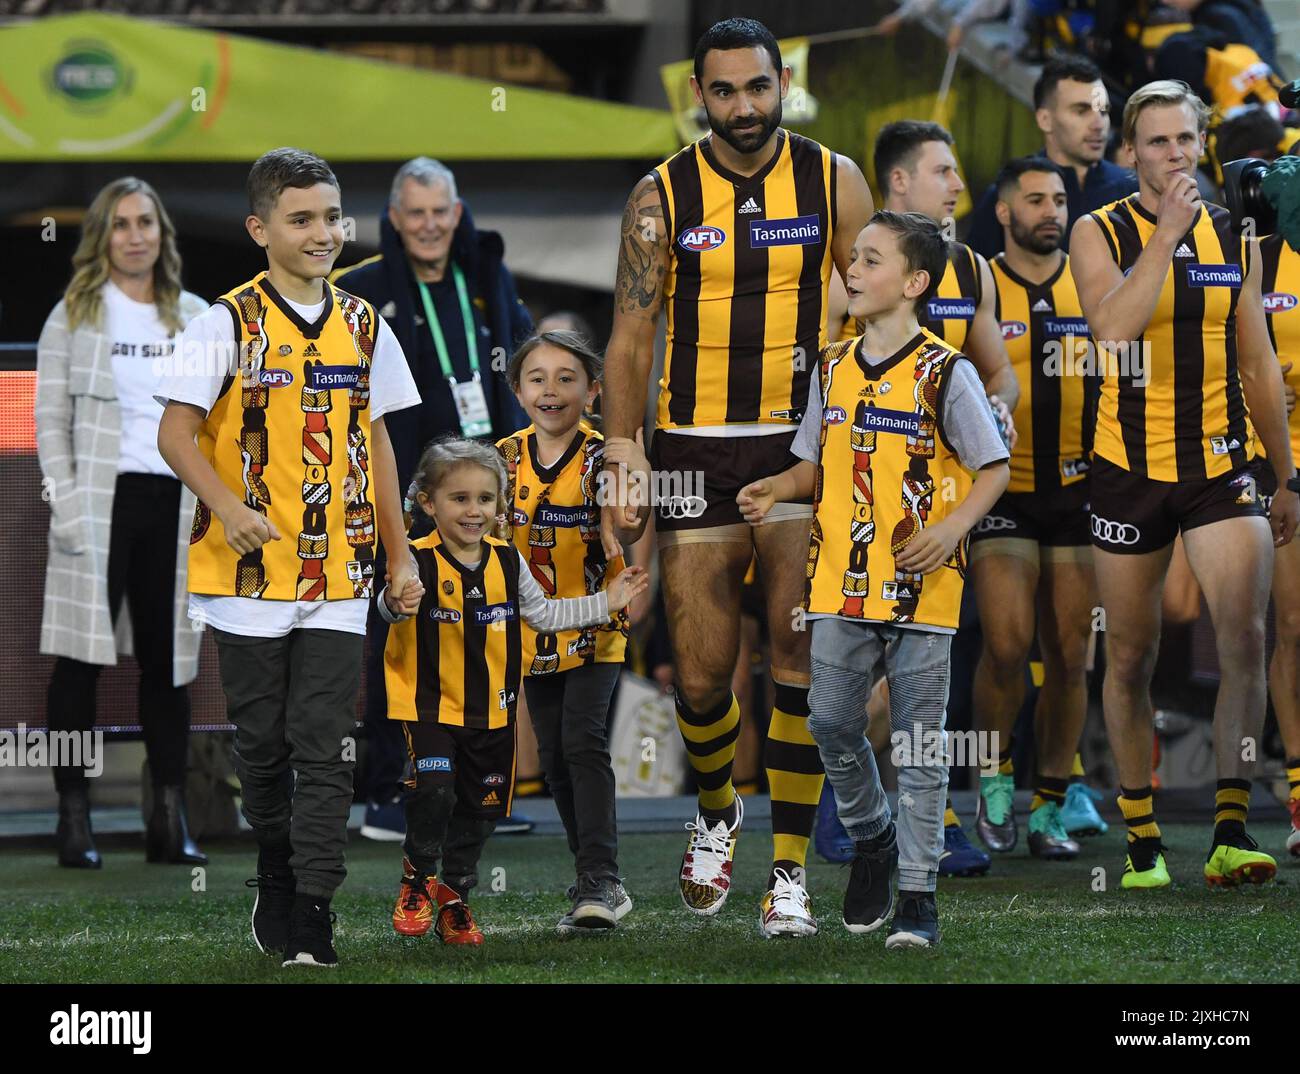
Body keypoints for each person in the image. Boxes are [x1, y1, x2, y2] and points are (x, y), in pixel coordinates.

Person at [601, 16, 874, 937]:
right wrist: (624, 447)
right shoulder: (661, 194)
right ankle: (717, 811)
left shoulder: (836, 178)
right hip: (693, 452)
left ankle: (788, 874)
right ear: (698, 96)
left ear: (782, 79)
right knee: (707, 674)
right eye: (723, 92)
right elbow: (632, 334)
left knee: (800, 663)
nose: (744, 108)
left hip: (802, 450)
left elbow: (875, 297)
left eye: (758, 88)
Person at [157, 147, 422, 966]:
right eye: (302, 219)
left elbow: (377, 442)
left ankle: (315, 912)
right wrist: (229, 508)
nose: (323, 233)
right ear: (259, 227)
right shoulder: (225, 321)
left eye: (332, 217)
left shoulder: (366, 323)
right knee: (263, 750)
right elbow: (173, 434)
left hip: (341, 574)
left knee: (324, 745)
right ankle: (275, 863)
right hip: (243, 580)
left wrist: (402, 554)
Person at [738, 209, 1011, 946]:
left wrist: (954, 528)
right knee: (829, 721)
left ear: (915, 282)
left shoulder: (945, 371)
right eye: (850, 259)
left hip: (925, 586)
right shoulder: (831, 365)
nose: (851, 271)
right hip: (837, 582)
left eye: (869, 260)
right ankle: (874, 837)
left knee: (921, 747)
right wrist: (776, 490)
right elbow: (812, 463)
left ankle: (918, 897)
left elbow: (993, 467)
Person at [1070, 80, 1299, 890]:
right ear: (1129, 151)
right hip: (1127, 470)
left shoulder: (1231, 230)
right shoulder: (1096, 230)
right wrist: (1165, 238)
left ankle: (1232, 829)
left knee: (1245, 638)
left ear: (1200, 146)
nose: (1171, 156)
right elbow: (1109, 331)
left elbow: (1256, 358)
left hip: (1216, 466)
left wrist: (1286, 473)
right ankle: (1141, 837)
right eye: (1155, 142)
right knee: (1129, 654)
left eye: (1183, 141)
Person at [331, 157, 532, 841]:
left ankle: (479, 795)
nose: (428, 225)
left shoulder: (486, 279)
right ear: (394, 219)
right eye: (414, 213)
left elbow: (524, 358)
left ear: (456, 212)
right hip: (406, 499)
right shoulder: (360, 290)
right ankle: (394, 792)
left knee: (486, 640)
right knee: (404, 643)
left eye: (439, 211)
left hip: (483, 498)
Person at [380, 439, 647, 944]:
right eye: (459, 498)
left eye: (485, 499)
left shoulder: (508, 561)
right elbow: (387, 609)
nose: (473, 510)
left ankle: (455, 895)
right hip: (429, 707)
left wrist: (604, 601)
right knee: (435, 791)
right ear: (427, 502)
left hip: (495, 714)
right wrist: (395, 602)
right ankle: (417, 877)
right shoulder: (411, 560)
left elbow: (544, 615)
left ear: (500, 506)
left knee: (480, 813)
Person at [36, 177, 208, 869]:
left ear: (162, 234)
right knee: (77, 663)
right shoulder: (73, 314)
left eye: (147, 223)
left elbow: (215, 424)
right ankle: (72, 819)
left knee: (171, 666)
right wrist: (69, 506)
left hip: (176, 505)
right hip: (99, 504)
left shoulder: (193, 316)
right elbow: (48, 422)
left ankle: (169, 819)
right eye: (122, 224)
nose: (137, 235)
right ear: (102, 236)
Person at [873, 118, 1018, 876]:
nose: (959, 185)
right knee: (864, 668)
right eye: (944, 171)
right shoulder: (863, 264)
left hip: (955, 501)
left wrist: (1002, 406)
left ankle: (931, 816)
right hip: (873, 500)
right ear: (901, 182)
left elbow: (999, 370)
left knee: (936, 659)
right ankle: (857, 805)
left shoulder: (970, 267)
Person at [968, 157, 1105, 861]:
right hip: (1003, 494)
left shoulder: (1093, 278)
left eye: (1059, 199)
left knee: (1073, 655)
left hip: (1080, 492)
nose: (1051, 210)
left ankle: (1050, 805)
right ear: (1002, 210)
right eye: (1035, 199)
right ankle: (994, 782)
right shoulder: (980, 279)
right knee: (1006, 643)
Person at [497, 330, 647, 929]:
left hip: (598, 626)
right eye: (537, 378)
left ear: (592, 391)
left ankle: (603, 880)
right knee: (555, 758)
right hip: (534, 632)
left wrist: (630, 519)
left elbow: (628, 526)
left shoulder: (603, 458)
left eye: (567, 378)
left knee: (583, 742)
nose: (551, 389)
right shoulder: (501, 459)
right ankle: (588, 874)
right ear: (517, 390)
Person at [966, 56, 1139, 258]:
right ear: (1045, 119)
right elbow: (973, 279)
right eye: (1081, 111)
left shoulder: (1132, 191)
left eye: (1103, 111)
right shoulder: (1007, 193)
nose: (1098, 124)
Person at [1255, 230, 1300, 855]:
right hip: (1282, 467)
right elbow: (1217, 356)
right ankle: (1299, 790)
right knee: (1291, 624)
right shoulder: (1259, 255)